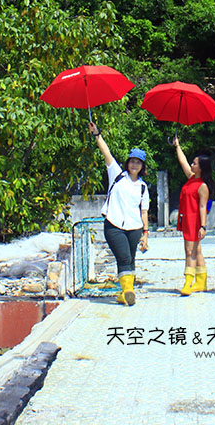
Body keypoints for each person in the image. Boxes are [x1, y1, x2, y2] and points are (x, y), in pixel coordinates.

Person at [89, 120, 150, 306]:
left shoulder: (142, 187)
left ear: (142, 166)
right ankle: (128, 290)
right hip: (114, 224)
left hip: (135, 227)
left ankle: (124, 294)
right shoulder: (117, 174)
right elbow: (106, 152)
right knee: (123, 257)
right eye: (132, 161)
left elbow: (144, 211)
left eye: (138, 162)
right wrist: (97, 134)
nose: (134, 164)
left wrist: (146, 234)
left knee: (130, 260)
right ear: (128, 162)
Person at [172, 135, 212, 295]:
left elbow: (203, 207)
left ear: (201, 168)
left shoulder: (202, 186)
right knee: (197, 251)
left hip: (194, 220)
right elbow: (182, 162)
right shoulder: (191, 178)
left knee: (190, 252)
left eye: (194, 163)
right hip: (187, 218)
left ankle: (188, 281)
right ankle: (202, 282)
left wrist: (203, 226)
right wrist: (177, 146)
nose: (191, 164)